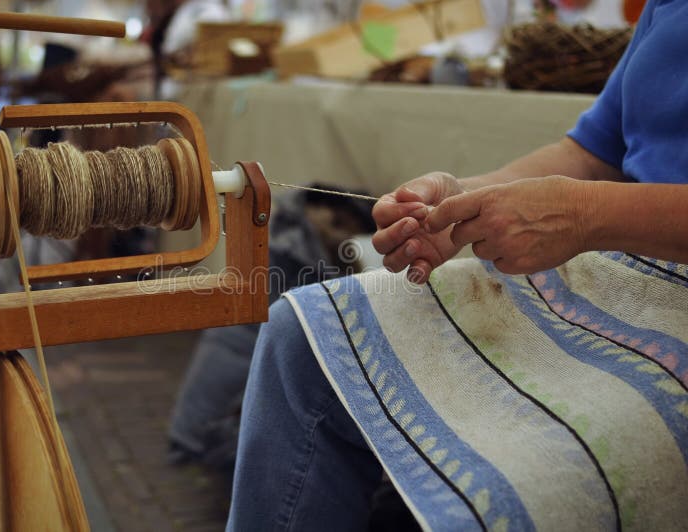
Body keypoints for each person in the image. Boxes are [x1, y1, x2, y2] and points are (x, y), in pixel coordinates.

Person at [227, 0, 688, 530]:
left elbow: (589, 192)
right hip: (615, 267)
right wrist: (463, 196)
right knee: (300, 336)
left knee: (494, 496)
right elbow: (590, 152)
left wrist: (586, 215)